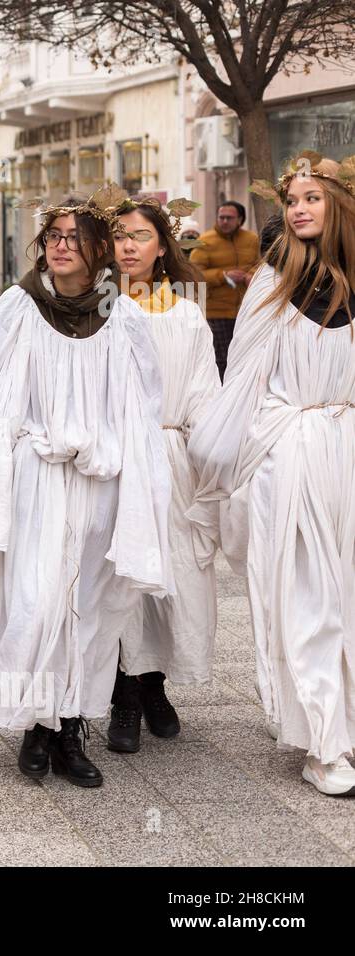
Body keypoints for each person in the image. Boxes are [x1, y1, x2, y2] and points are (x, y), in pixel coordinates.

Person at [0, 191, 172, 789]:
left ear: (99, 249)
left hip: (98, 484)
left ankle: (71, 727)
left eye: (75, 237)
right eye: (54, 235)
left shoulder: (120, 315)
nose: (62, 245)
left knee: (89, 611)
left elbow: (142, 404)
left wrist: (127, 471)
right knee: (36, 600)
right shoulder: (18, 307)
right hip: (36, 478)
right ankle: (34, 726)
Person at [189, 155, 355, 797]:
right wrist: (226, 458)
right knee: (310, 594)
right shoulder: (271, 283)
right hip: (295, 454)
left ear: (338, 203)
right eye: (292, 200)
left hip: (347, 447)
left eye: (312, 197)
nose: (299, 209)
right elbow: (245, 384)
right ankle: (324, 739)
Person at [107, 197, 220, 754]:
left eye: (140, 236)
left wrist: (210, 460)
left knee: (170, 575)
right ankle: (122, 693)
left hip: (171, 454)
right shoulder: (95, 311)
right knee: (123, 576)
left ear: (161, 246)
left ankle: (156, 685)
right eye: (120, 235)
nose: (129, 245)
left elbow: (203, 389)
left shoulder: (185, 313)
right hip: (116, 459)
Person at [189, 200, 261, 379]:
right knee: (221, 359)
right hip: (216, 312)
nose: (224, 221)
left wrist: (251, 275)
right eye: (221, 217)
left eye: (229, 218)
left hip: (247, 310)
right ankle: (220, 395)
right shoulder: (204, 241)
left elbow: (261, 263)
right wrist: (223, 275)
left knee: (245, 357)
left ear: (240, 219)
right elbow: (193, 274)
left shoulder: (252, 239)